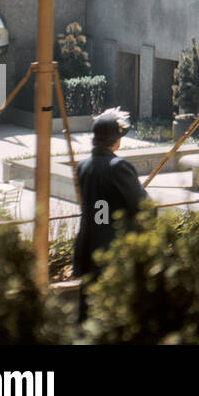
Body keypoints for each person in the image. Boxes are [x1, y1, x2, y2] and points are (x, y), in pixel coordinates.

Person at [74, 109, 147, 321]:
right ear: (116, 140)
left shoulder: (83, 166)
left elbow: (100, 209)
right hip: (114, 252)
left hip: (88, 250)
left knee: (88, 316)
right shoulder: (118, 166)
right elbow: (143, 207)